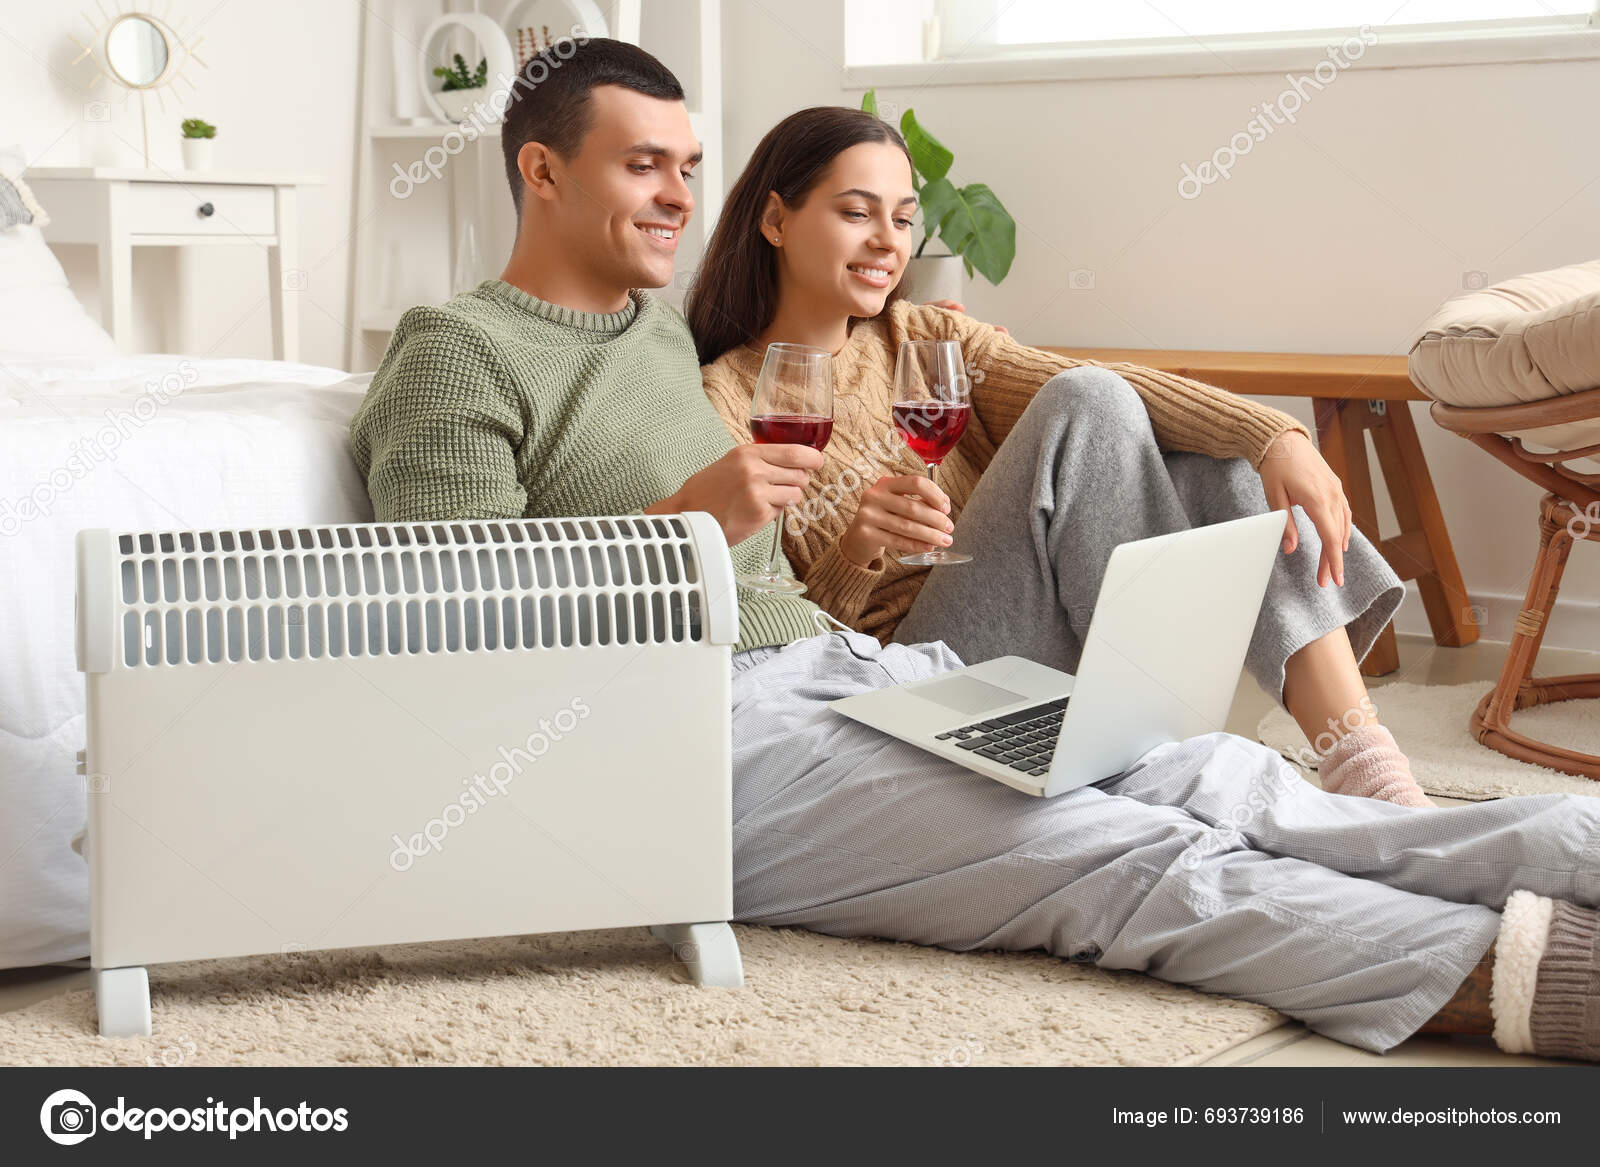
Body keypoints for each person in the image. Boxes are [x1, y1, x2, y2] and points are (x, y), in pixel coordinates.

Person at [346, 37, 1600, 1063]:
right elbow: (465, 634)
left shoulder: (652, 337)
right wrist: (692, 529)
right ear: (542, 172)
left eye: (687, 165)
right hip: (686, 740)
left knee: (1210, 781)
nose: (679, 194)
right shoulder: (457, 349)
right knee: (1116, 855)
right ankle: (1551, 985)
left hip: (841, 674)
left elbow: (795, 567)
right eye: (642, 166)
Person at [690, 105, 1425, 808]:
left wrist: (1274, 437)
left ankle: (1365, 765)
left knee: (1219, 459)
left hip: (1021, 634)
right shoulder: (720, 400)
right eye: (857, 212)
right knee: (1094, 403)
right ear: (776, 219)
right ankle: (1170, 733)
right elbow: (774, 646)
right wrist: (858, 550)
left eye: (904, 218)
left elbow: (1095, 385)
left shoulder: (927, 338)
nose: (890, 240)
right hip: (894, 682)